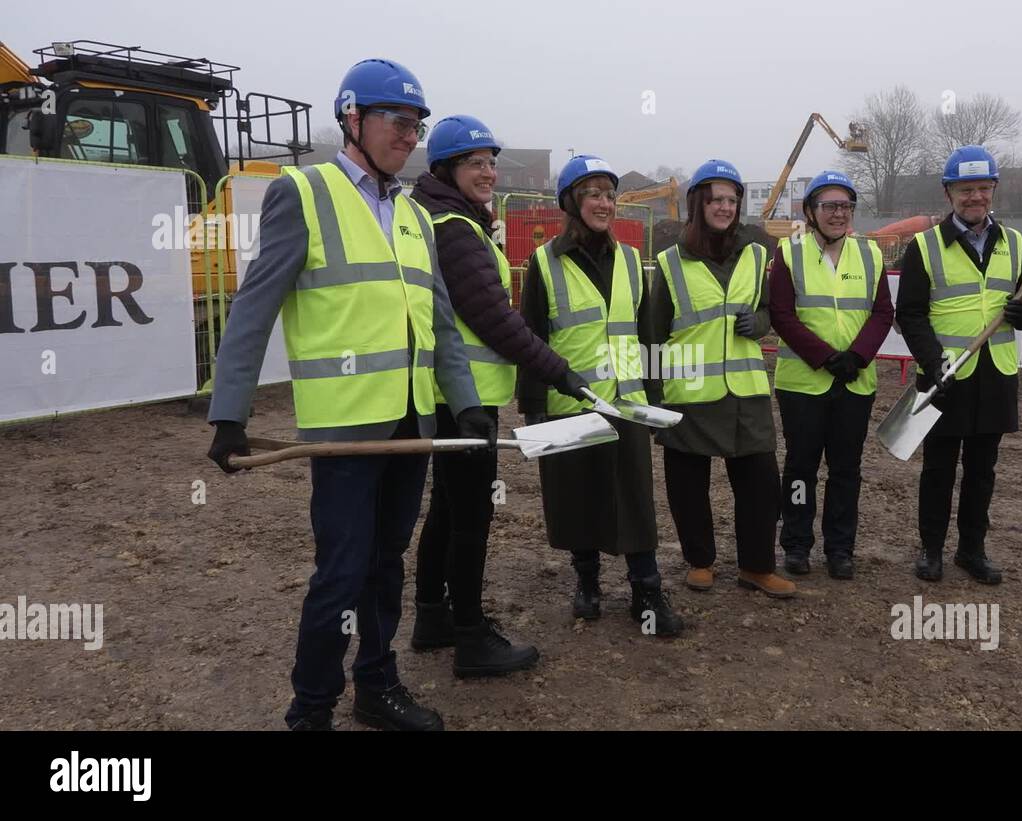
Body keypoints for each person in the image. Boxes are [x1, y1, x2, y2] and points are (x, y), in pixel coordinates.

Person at [206, 59, 493, 731]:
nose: (409, 133)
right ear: (353, 119)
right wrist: (229, 413)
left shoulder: (416, 216)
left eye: (416, 123)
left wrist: (469, 402)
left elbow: (440, 321)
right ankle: (310, 710)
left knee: (387, 561)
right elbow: (253, 308)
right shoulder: (303, 193)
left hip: (410, 421)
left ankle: (376, 683)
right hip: (344, 427)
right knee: (340, 570)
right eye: (398, 120)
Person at [407, 115, 591, 675]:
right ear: (445, 168)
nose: (487, 172)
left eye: (490, 162)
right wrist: (559, 371)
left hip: (451, 395)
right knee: (471, 516)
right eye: (474, 163)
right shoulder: (455, 230)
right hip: (464, 398)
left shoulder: (446, 218)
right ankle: (470, 637)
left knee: (446, 508)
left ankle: (431, 615)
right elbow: (493, 319)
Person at [517, 154, 684, 637]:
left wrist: (656, 401)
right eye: (593, 194)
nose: (604, 203)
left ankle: (646, 590)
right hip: (571, 405)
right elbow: (531, 340)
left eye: (609, 194)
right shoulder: (544, 264)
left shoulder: (632, 261)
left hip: (627, 405)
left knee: (635, 500)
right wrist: (534, 411)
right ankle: (586, 582)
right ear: (571, 201)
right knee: (577, 498)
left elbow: (649, 337)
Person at [646, 159, 795, 599]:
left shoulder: (756, 253)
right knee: (688, 486)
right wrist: (655, 404)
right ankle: (700, 561)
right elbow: (653, 335)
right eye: (716, 199)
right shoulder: (671, 262)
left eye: (732, 199)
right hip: (689, 394)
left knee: (761, 486)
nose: (725, 207)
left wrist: (761, 323)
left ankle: (757, 566)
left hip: (746, 394)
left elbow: (769, 309)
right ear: (698, 203)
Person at [894, 145, 1022, 585]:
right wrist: (933, 360)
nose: (974, 197)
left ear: (994, 189)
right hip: (945, 375)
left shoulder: (1014, 243)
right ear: (949, 193)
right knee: (938, 468)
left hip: (995, 373)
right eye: (965, 189)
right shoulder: (924, 246)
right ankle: (931, 550)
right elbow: (911, 314)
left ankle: (972, 550)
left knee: (982, 470)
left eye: (982, 188)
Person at [769, 171, 895, 580]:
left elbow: (882, 313)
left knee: (845, 469)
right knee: (801, 468)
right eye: (830, 206)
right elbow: (782, 315)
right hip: (803, 384)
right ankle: (797, 545)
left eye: (845, 206)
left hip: (855, 383)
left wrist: (857, 356)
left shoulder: (870, 255)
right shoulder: (789, 253)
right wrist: (825, 358)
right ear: (811, 211)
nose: (839, 214)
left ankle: (841, 548)